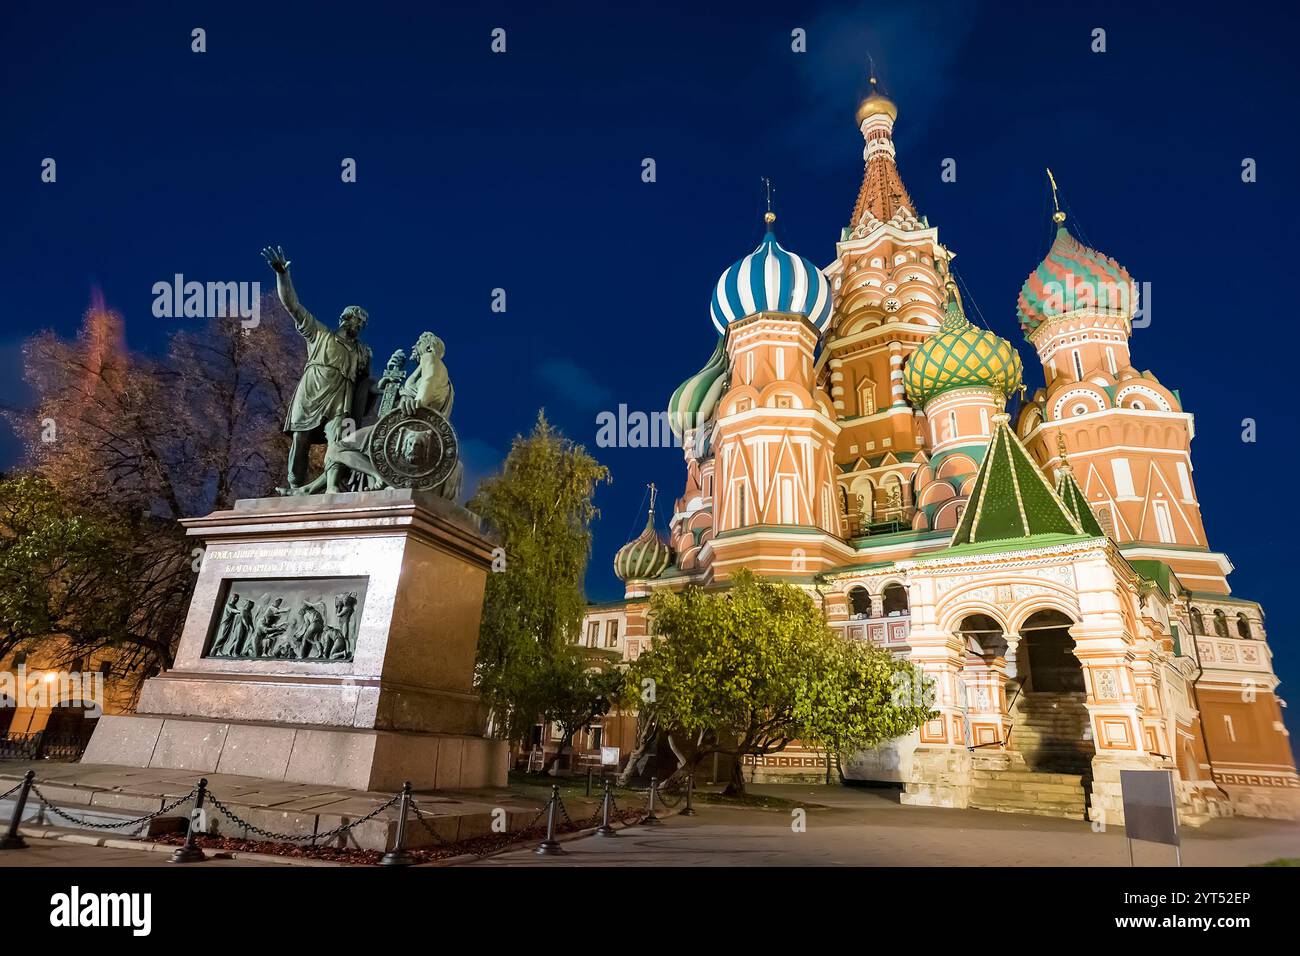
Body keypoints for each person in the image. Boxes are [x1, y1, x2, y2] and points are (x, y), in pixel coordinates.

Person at [261, 245, 374, 493]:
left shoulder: (362, 352)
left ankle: (332, 486)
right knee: (300, 442)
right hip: (311, 392)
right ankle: (295, 487)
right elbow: (293, 305)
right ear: (345, 319)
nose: (360, 326)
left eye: (363, 324)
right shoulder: (320, 334)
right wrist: (283, 275)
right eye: (357, 320)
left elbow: (365, 385)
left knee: (341, 441)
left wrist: (385, 384)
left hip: (340, 401)